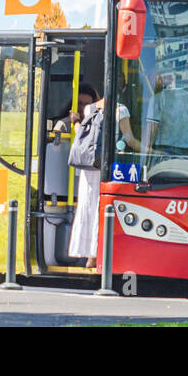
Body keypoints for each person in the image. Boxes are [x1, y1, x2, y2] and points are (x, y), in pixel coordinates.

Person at [67, 85, 134, 270]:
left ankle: (90, 256)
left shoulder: (91, 109)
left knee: (87, 208)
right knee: (101, 209)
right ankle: (98, 255)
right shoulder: (121, 110)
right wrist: (150, 150)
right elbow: (129, 140)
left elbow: (81, 135)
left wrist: (75, 123)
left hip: (88, 168)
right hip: (106, 167)